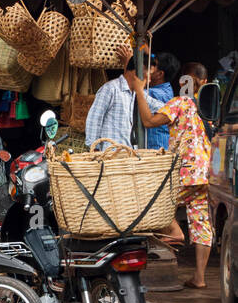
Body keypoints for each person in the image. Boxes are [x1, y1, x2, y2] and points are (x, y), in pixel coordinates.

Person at [124, 59, 213, 289]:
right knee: (201, 221)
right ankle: (200, 278)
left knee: (155, 204)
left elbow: (148, 121)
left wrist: (140, 93)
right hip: (205, 173)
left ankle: (175, 237)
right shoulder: (206, 105)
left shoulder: (180, 103)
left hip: (185, 171)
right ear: (202, 83)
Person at [84, 45, 165, 149]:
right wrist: (94, 149)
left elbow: (163, 108)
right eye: (148, 74)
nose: (149, 80)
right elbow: (94, 119)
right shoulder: (111, 89)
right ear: (137, 71)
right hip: (110, 153)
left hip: (129, 153)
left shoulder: (139, 94)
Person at [145, 52, 179, 151]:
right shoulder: (167, 88)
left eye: (152, 66)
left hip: (157, 146)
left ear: (160, 74)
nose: (148, 68)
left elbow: (135, 90)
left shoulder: (158, 94)